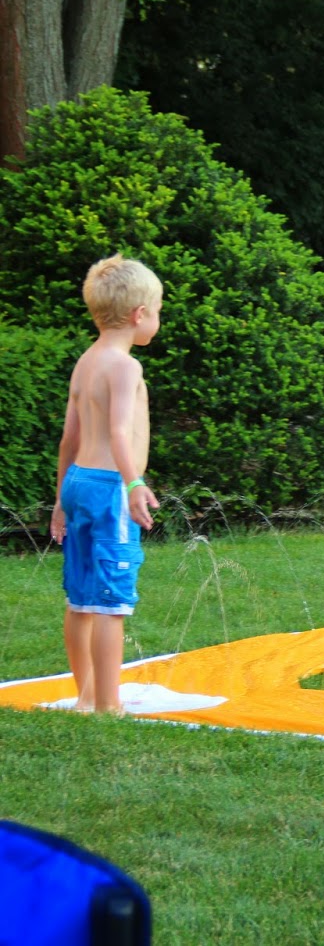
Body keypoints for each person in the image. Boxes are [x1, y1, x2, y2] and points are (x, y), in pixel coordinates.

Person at [49, 254, 164, 715]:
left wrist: (60, 499)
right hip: (109, 487)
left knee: (80, 599)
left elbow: (68, 438)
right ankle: (109, 707)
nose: (157, 320)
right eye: (157, 311)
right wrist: (134, 483)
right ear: (139, 315)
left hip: (78, 481)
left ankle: (86, 696)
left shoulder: (87, 361)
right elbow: (119, 432)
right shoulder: (125, 366)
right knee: (110, 602)